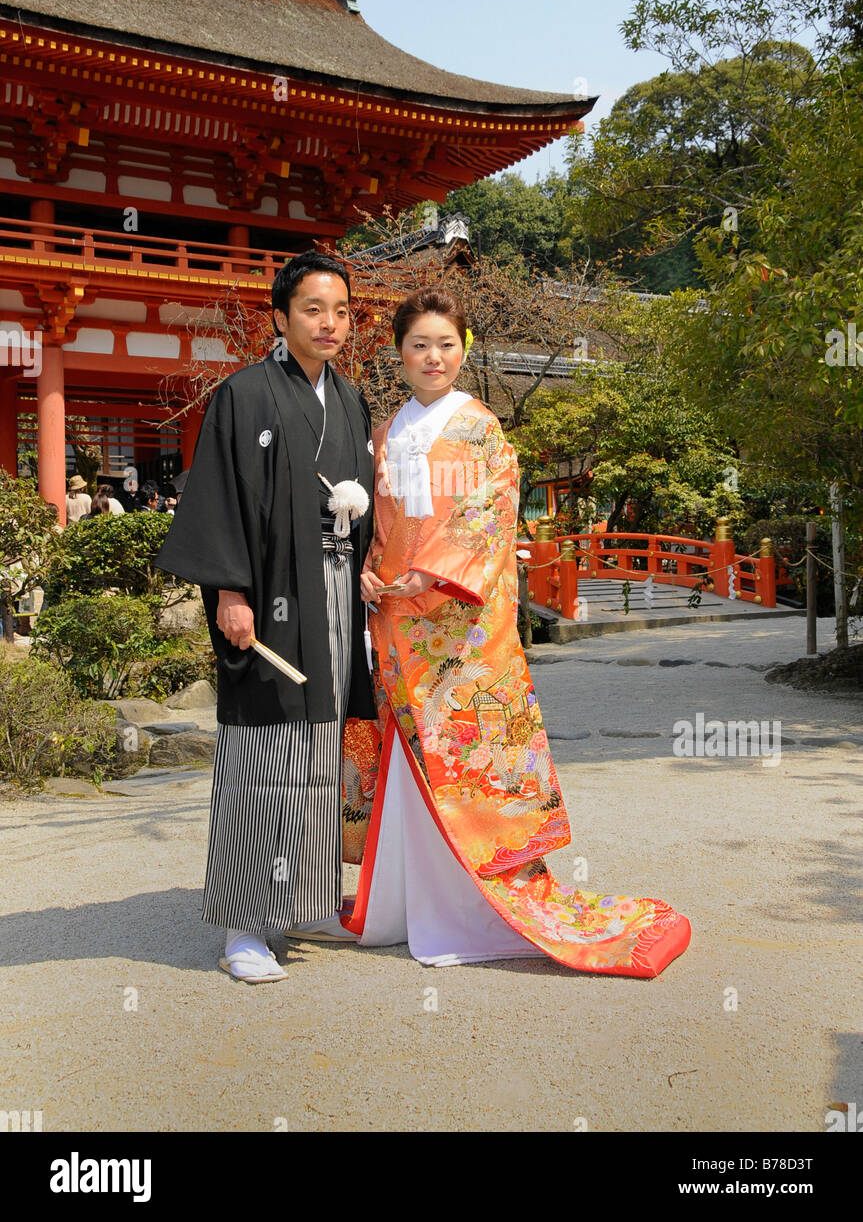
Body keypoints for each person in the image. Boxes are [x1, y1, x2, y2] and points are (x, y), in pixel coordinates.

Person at [347, 289, 691, 977]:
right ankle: (411, 903)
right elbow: (378, 525)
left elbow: (488, 517)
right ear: (399, 352)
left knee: (472, 759)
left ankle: (477, 911)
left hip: (461, 628)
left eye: (446, 344)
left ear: (464, 350)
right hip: (396, 620)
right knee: (412, 758)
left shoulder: (479, 428)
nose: (433, 357)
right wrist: (367, 573)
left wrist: (430, 576)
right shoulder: (384, 434)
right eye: (419, 345)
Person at [155, 250, 376, 983]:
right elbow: (220, 494)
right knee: (264, 750)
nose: (330, 323)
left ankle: (308, 898)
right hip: (273, 589)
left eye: (341, 310)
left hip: (336, 588)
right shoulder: (244, 394)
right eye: (313, 309)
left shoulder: (349, 400)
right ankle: (246, 924)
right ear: (280, 318)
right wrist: (228, 590)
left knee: (320, 743)